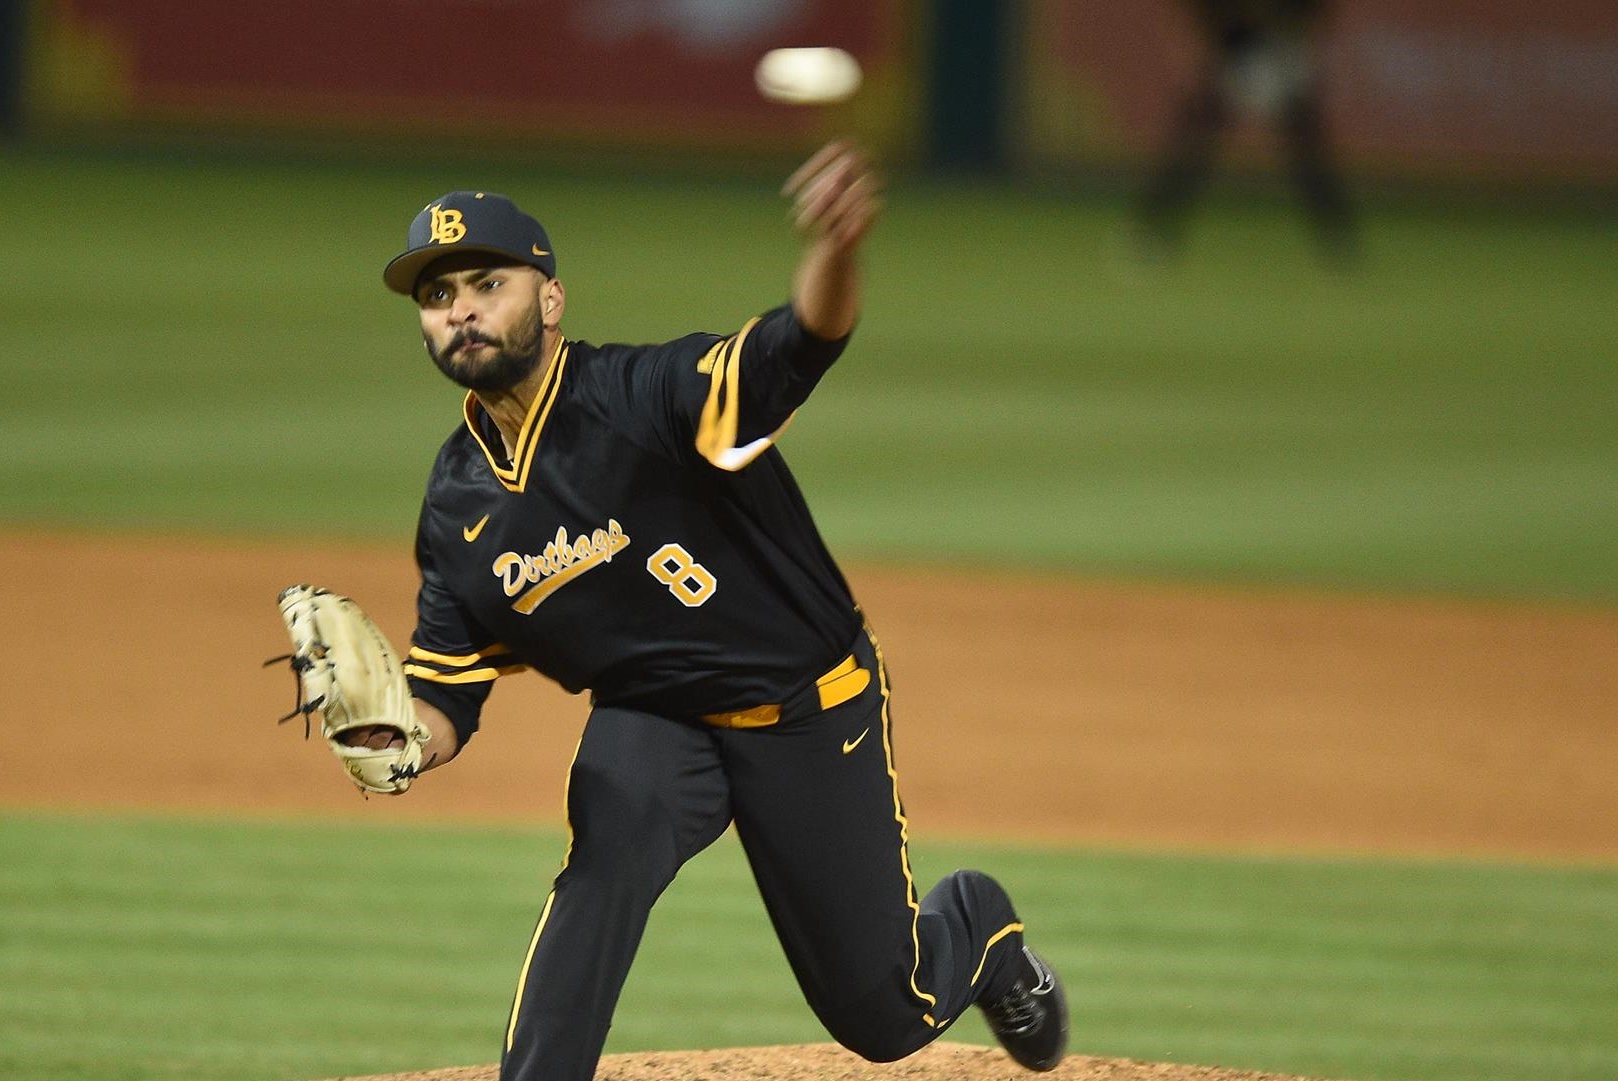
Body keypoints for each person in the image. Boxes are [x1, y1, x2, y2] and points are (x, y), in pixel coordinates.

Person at [356, 142, 1067, 1079]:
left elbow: (795, 346)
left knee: (883, 1016)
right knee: (607, 841)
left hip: (804, 707)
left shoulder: (646, 396)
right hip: (657, 720)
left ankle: (977, 926)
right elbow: (449, 685)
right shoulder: (457, 507)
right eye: (438, 298)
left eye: (487, 282)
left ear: (550, 298)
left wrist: (838, 250)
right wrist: (395, 738)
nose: (462, 311)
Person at [1132, 0, 1358, 266]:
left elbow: (1310, 15)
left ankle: (1337, 238)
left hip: (1281, 56)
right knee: (1192, 149)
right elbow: (1206, 16)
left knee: (1309, 158)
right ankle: (1153, 229)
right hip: (1236, 55)